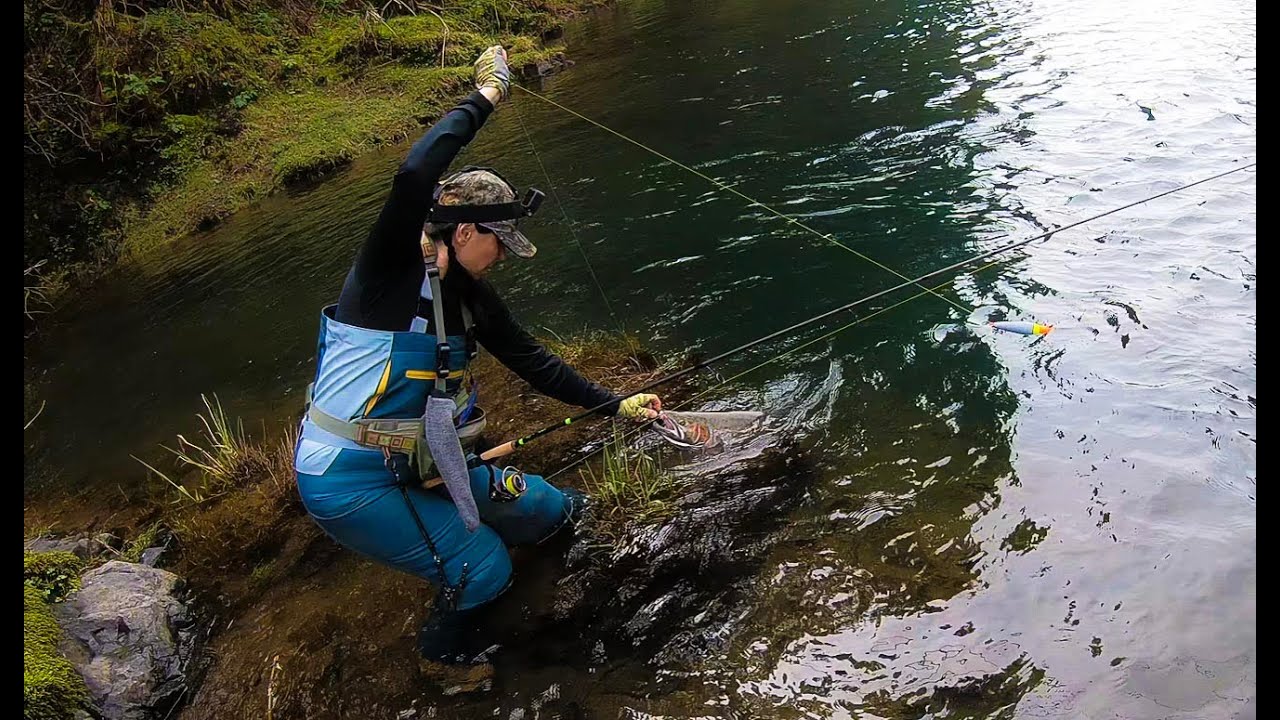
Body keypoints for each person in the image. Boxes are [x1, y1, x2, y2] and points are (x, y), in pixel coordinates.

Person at [292, 45, 662, 666]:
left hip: (420, 463)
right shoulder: (384, 276)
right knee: (483, 566)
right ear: (464, 231)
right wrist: (487, 94)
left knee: (547, 508)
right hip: (346, 479)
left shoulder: (474, 300)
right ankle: (443, 669)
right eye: (499, 242)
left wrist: (616, 406)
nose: (502, 256)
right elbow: (413, 176)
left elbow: (533, 361)